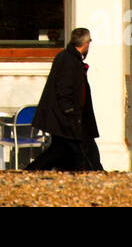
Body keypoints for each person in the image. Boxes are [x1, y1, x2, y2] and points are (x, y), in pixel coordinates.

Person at [28, 27, 100, 171]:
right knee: (75, 150)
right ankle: (94, 172)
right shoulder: (69, 60)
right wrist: (71, 112)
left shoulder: (67, 57)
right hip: (65, 118)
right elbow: (64, 90)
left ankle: (93, 171)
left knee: (62, 150)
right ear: (85, 44)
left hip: (67, 118)